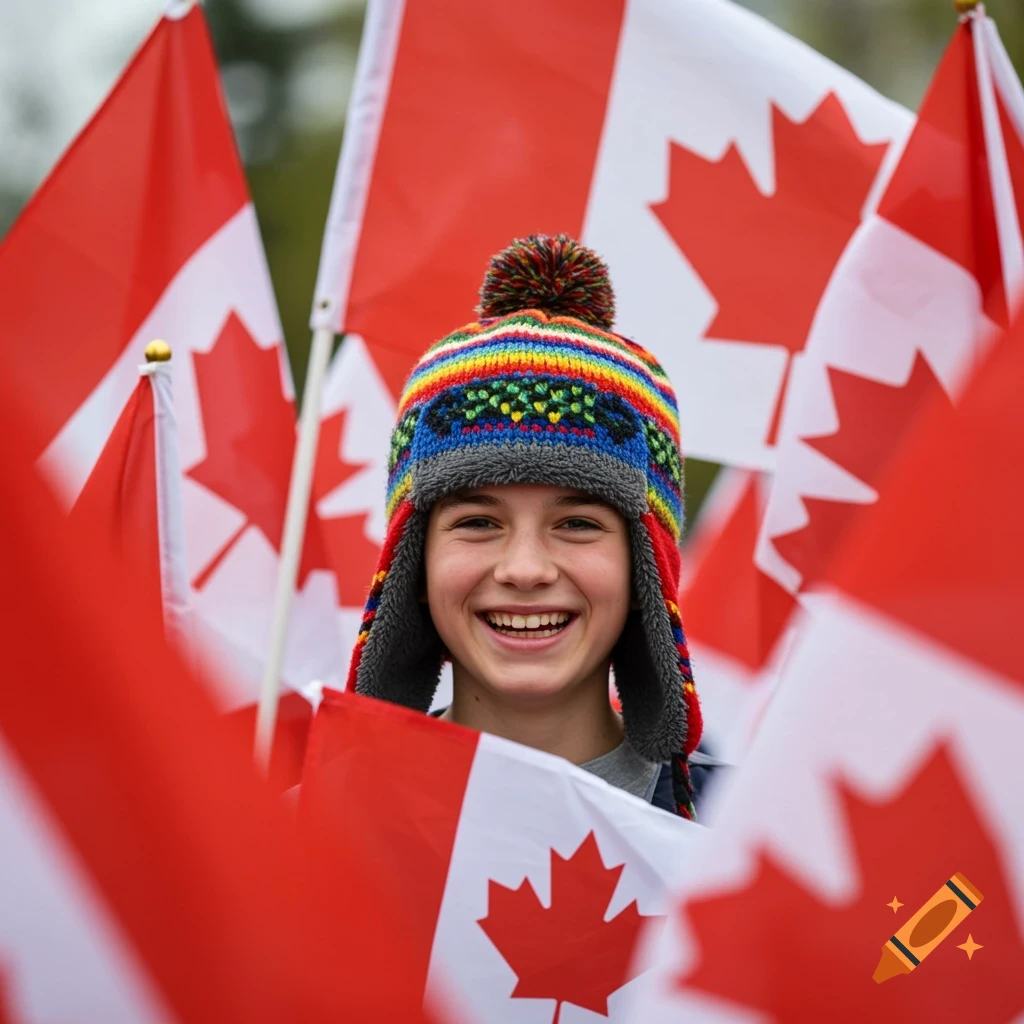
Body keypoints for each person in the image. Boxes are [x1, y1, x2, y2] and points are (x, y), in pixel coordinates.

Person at [347, 235, 703, 818]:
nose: (525, 570)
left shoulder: (758, 847)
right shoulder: (296, 846)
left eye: (580, 523)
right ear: (413, 563)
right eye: (479, 521)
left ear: (648, 568)